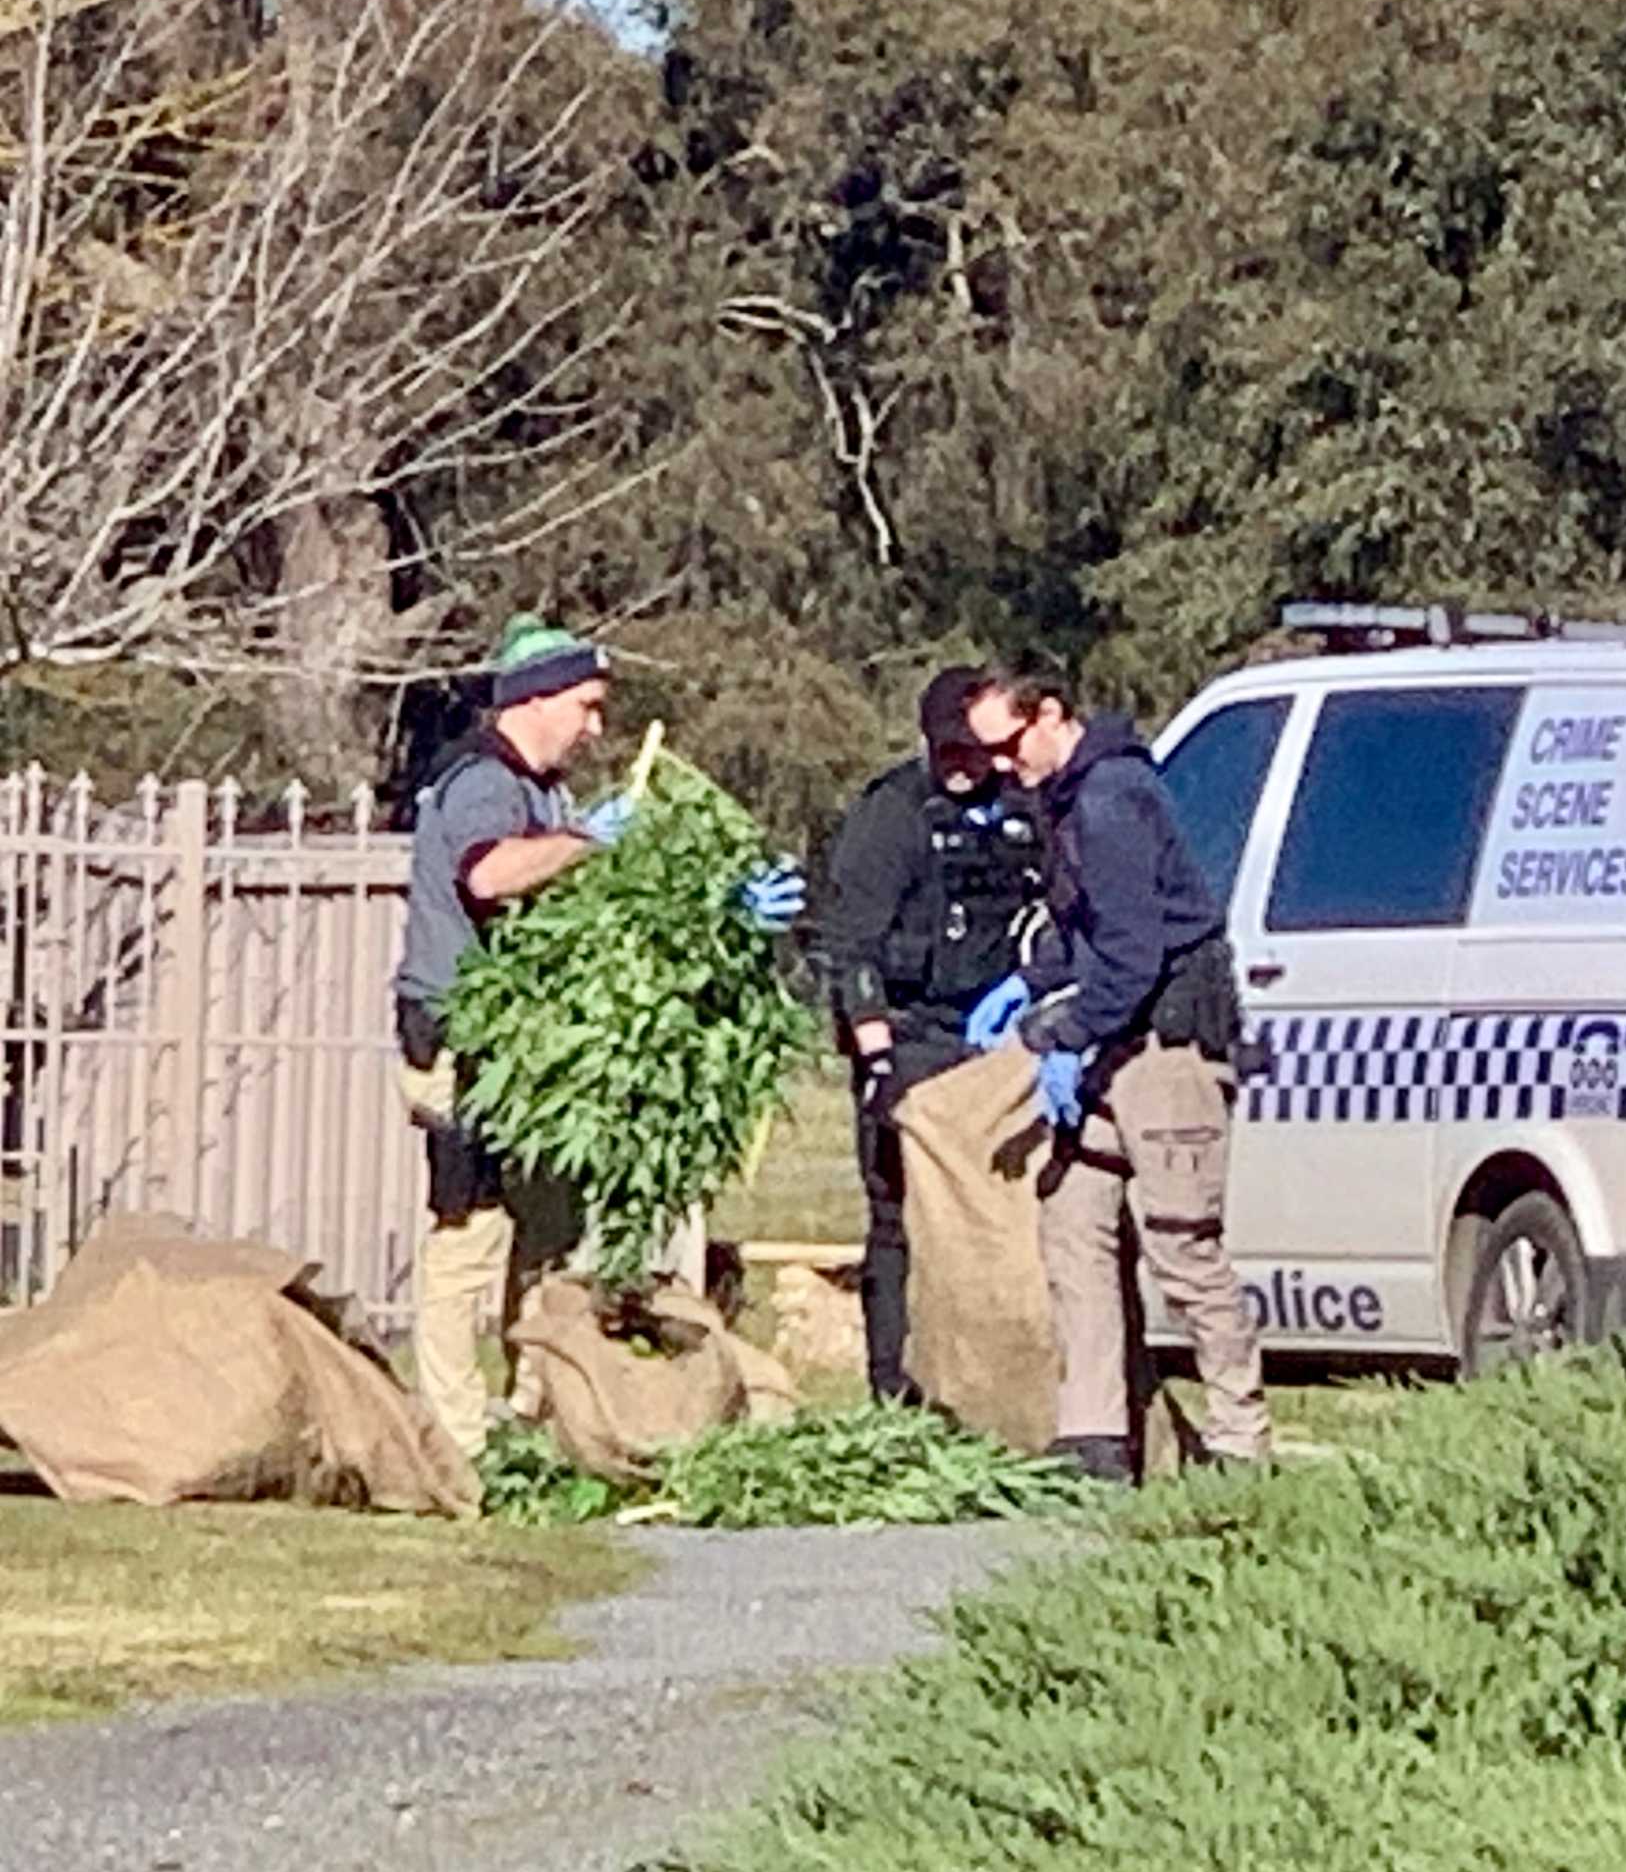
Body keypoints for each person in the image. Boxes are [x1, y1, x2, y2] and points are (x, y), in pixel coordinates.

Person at [392, 616, 804, 1460]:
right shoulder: (482, 781)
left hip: (524, 1054)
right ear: (534, 701)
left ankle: (531, 1419)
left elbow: (593, 911)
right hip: (459, 1046)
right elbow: (491, 874)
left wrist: (721, 911)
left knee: (545, 1240)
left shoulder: (546, 792)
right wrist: (583, 840)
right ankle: (456, 1439)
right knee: (469, 1237)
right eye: (585, 705)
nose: (595, 726)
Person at [964, 666, 1267, 1483]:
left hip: (1166, 1052)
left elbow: (1134, 956)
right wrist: (1027, 984)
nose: (998, 765)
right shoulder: (1071, 799)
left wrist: (1066, 1033)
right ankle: (1095, 1433)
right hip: (1116, 1046)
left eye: (1006, 745)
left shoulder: (1109, 802)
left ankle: (1241, 1438)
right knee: (1073, 1220)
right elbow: (1092, 936)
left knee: (1183, 1248)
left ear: (1050, 714)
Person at [815, 667, 1049, 1405]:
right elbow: (850, 948)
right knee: (900, 1218)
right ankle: (896, 1391)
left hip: (1004, 1035)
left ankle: (1000, 1384)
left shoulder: (1025, 808)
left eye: (973, 752)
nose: (961, 766)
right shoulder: (893, 815)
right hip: (912, 1036)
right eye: (947, 751)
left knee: (1012, 1213)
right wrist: (876, 1054)